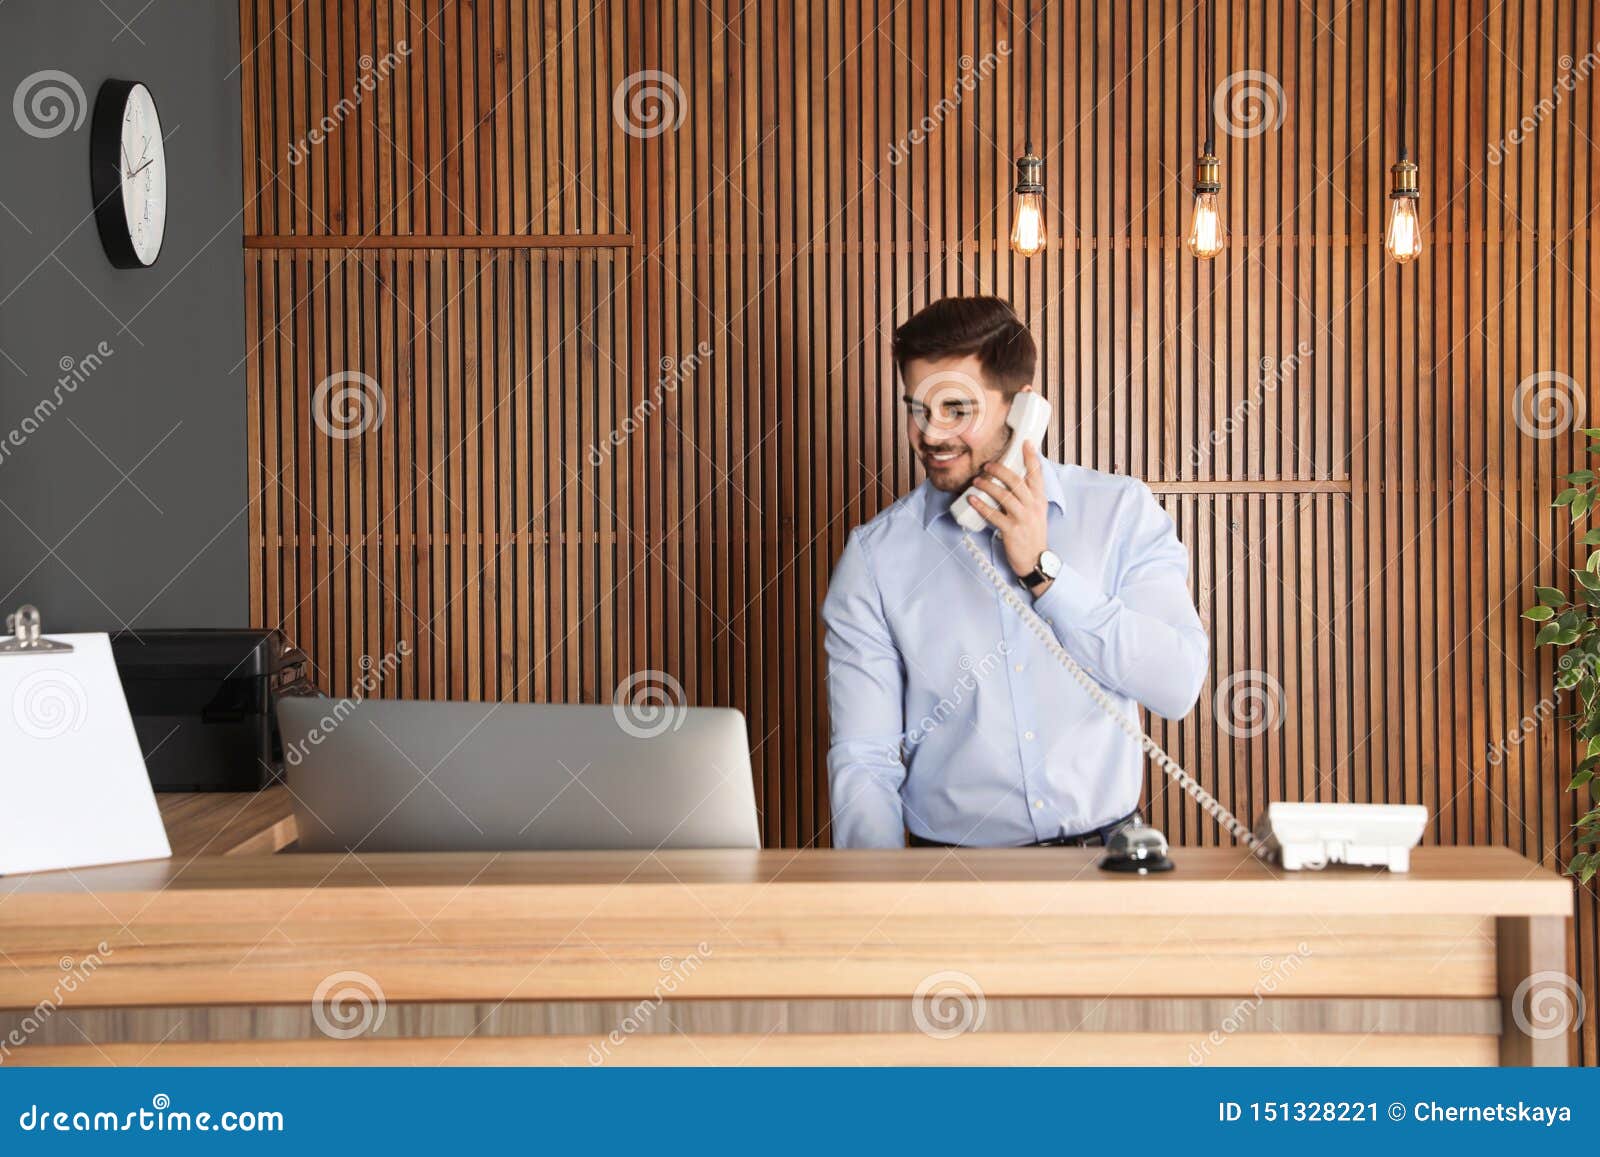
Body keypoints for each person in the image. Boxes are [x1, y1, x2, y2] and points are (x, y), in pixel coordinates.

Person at [822, 296, 1208, 848]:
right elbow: (866, 759)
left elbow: (1176, 685)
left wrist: (1046, 576)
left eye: (956, 409)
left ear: (1022, 408)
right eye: (917, 408)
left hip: (1105, 864)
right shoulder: (874, 559)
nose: (930, 434)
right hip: (950, 880)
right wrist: (881, 910)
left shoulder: (1120, 511)